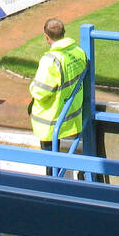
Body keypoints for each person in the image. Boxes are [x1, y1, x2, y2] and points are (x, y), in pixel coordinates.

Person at [28, 18, 87, 152]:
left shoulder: (50, 60)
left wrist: (32, 88)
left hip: (51, 119)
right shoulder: (78, 51)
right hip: (74, 113)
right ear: (64, 32)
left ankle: (53, 173)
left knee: (51, 160)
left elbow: (40, 92)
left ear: (46, 37)